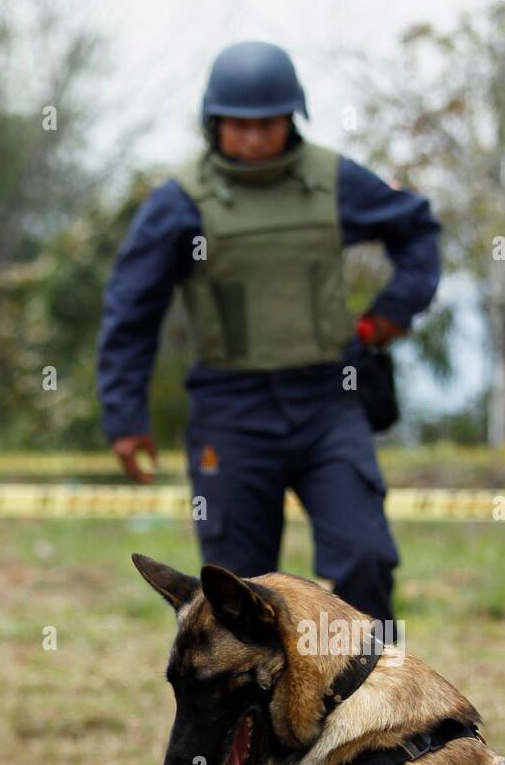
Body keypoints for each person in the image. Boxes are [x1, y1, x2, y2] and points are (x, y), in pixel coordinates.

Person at [96, 40, 442, 624]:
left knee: (366, 557)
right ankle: (251, 717)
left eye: (269, 123)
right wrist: (125, 416)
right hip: (229, 411)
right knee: (238, 594)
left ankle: (379, 708)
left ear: (293, 117)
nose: (254, 138)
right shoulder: (181, 203)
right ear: (214, 122)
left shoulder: (333, 182)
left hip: (330, 401)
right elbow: (132, 307)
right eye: (239, 124)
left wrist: (392, 312)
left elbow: (418, 229)